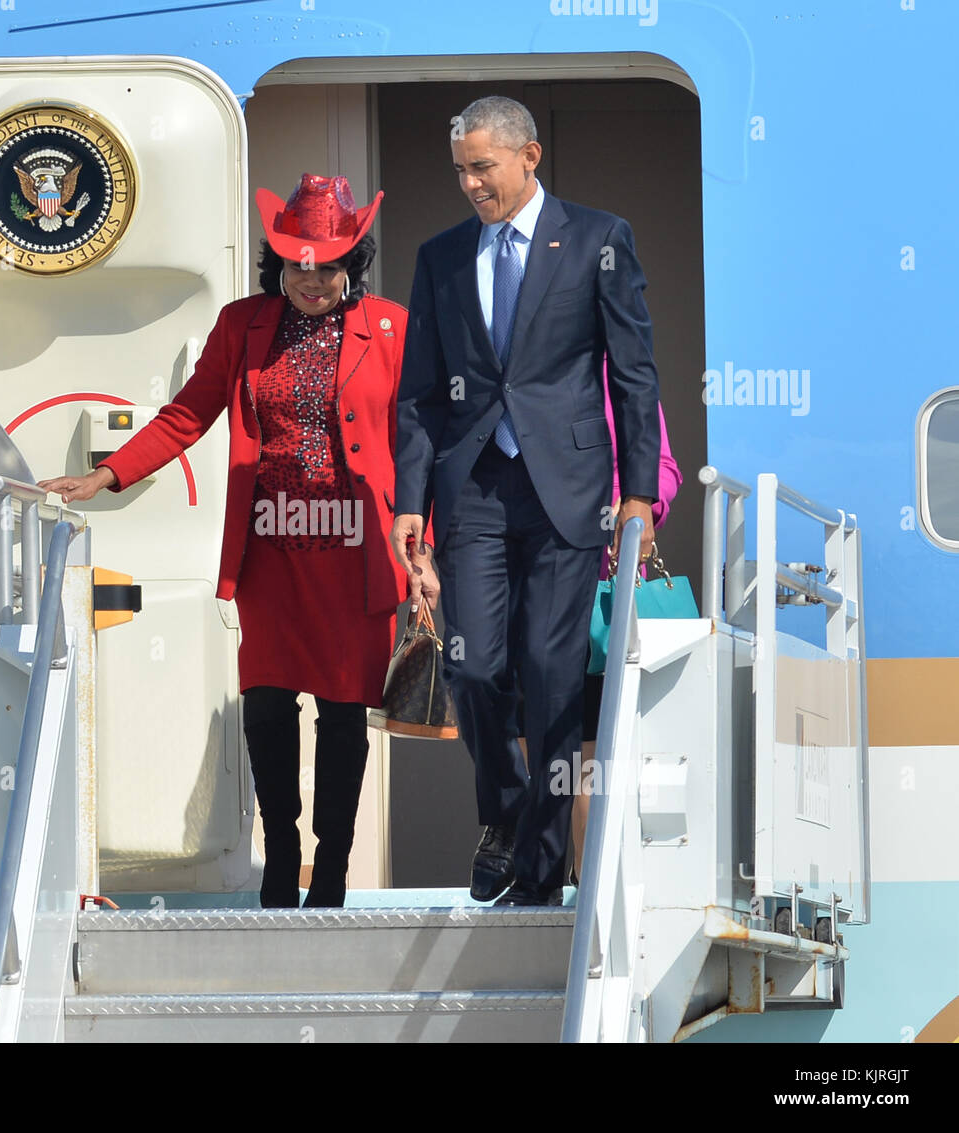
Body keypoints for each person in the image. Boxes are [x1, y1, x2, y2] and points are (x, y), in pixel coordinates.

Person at [39, 173, 420, 909]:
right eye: (295, 266)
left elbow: (419, 442)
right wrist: (109, 474)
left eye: (326, 267)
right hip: (272, 550)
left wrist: (421, 543)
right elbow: (187, 415)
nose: (310, 281)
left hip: (357, 549)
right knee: (268, 704)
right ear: (275, 264)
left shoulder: (394, 328)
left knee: (344, 713)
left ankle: (333, 873)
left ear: (354, 264)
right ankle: (281, 862)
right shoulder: (241, 323)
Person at [390, 95, 662, 907]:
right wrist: (411, 500)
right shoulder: (441, 257)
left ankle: (542, 870)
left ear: (529, 156)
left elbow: (634, 376)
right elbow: (419, 397)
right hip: (472, 489)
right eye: (462, 171)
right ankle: (506, 816)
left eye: (484, 167)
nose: (472, 184)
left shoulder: (598, 240)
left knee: (550, 674)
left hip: (567, 492)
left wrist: (639, 494)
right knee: (475, 668)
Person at [572, 364, 682, 883]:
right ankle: (545, 873)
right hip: (525, 592)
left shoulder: (616, 374)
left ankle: (590, 912)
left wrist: (639, 507)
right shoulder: (511, 366)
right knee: (542, 758)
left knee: (588, 765)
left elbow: (663, 467)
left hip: (605, 597)